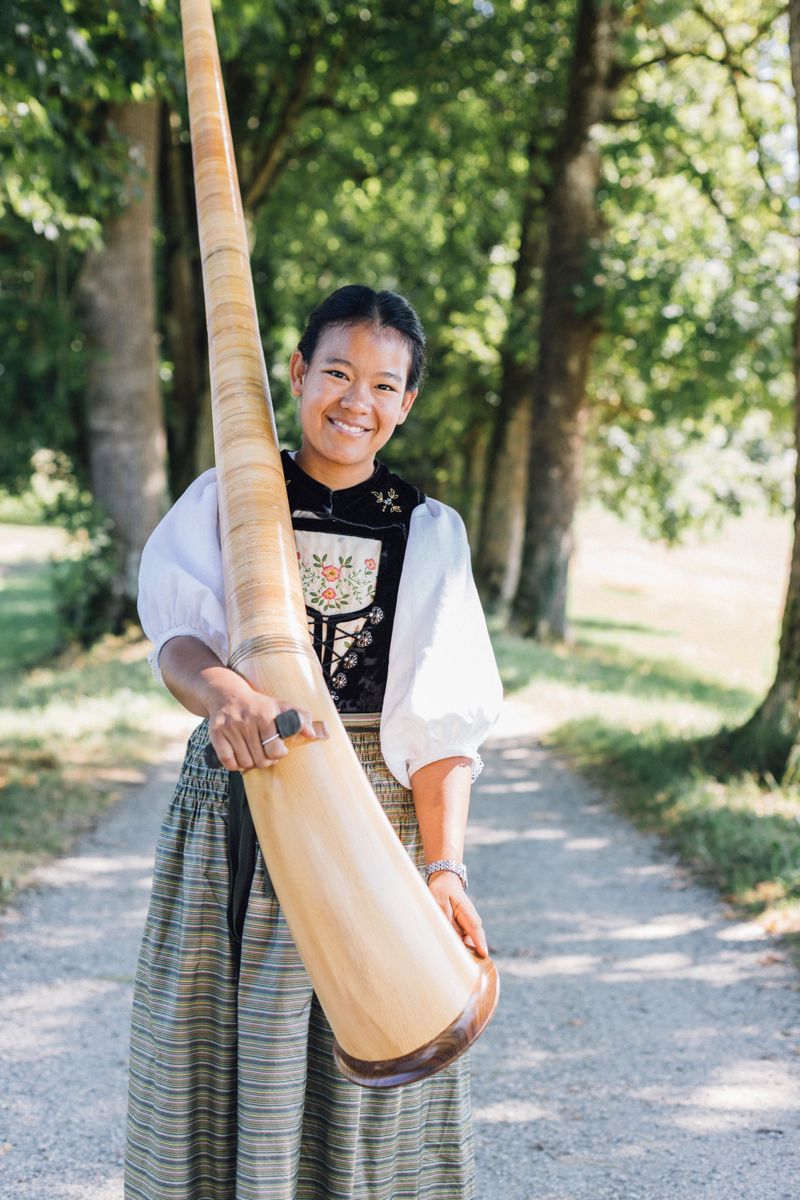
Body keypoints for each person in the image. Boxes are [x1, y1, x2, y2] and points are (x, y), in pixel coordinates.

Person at [126, 284, 503, 1200]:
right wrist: (222, 694)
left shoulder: (429, 531)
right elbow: (178, 640)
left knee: (369, 1052)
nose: (355, 402)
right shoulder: (230, 498)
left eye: (383, 385)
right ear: (296, 374)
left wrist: (444, 870)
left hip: (373, 809)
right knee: (222, 1041)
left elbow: (443, 724)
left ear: (406, 403)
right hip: (238, 791)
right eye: (336, 373)